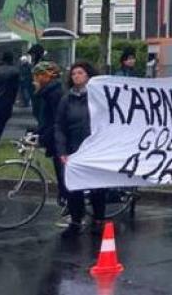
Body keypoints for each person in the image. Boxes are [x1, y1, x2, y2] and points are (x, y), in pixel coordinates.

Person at [55, 61, 108, 234]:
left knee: (97, 185)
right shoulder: (66, 99)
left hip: (94, 147)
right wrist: (62, 151)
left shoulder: (97, 97)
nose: (77, 76)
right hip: (73, 148)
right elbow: (60, 126)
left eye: (80, 73)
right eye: (74, 74)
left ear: (88, 76)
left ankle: (99, 217)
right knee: (73, 185)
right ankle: (76, 220)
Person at [31, 60, 68, 221]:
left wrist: (43, 136)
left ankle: (71, 207)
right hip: (54, 137)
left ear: (46, 77)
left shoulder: (54, 93)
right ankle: (66, 201)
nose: (35, 80)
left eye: (38, 76)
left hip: (60, 140)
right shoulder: (47, 92)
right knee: (60, 172)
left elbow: (56, 120)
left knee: (63, 173)